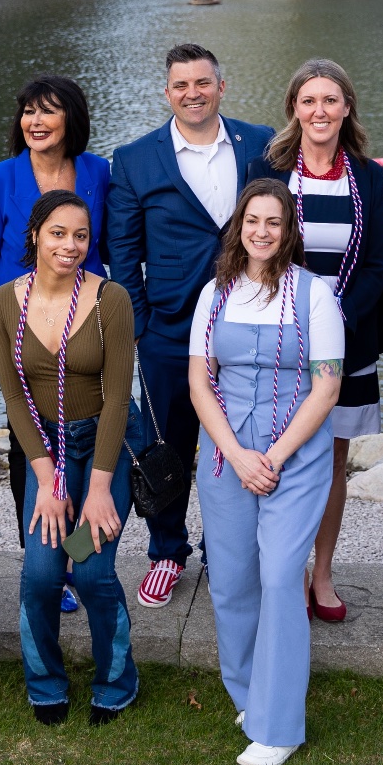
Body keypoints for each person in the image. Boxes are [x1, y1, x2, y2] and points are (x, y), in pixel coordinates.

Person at [108, 44, 276, 610]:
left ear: (221, 86)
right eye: (181, 86)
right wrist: (139, 325)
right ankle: (166, 551)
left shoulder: (259, 143)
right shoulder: (134, 159)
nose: (192, 94)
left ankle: (230, 548)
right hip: (169, 330)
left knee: (242, 441)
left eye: (202, 83)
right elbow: (124, 252)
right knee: (167, 446)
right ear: (167, 93)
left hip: (249, 319)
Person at [189, 179, 344, 765]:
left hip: (294, 455)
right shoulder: (215, 294)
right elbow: (200, 382)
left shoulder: (315, 296)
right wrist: (234, 451)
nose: (261, 232)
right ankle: (251, 694)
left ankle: (279, 726)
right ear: (239, 227)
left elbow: (326, 386)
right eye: (252, 221)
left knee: (280, 575)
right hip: (228, 453)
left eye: (274, 223)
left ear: (288, 231)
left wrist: (273, 457)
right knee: (230, 579)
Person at [0, 190, 144, 725]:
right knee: (42, 573)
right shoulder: (4, 302)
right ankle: (46, 681)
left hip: (105, 448)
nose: (70, 245)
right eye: (58, 233)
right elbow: (12, 396)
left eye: (81, 235)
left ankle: (116, 678)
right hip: (45, 454)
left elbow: (119, 397)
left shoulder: (111, 300)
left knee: (94, 571)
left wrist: (98, 488)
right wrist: (48, 481)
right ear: (35, 235)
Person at [250, 58, 383, 621]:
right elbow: (251, 248)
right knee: (275, 453)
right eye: (309, 100)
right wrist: (291, 326)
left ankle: (323, 574)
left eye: (331, 100)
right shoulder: (269, 170)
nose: (320, 111)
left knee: (331, 462)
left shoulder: (369, 177)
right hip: (277, 337)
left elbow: (378, 264)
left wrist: (332, 324)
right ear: (294, 109)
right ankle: (281, 570)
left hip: (344, 341)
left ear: (347, 107)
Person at [0, 75, 111, 540]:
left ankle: (83, 551)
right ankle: (44, 556)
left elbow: (107, 249)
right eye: (28, 111)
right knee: (31, 445)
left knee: (91, 440)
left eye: (48, 110)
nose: (35, 121)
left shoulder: (99, 172)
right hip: (22, 334)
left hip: (88, 327)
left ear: (72, 118)